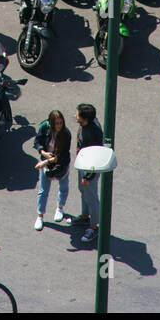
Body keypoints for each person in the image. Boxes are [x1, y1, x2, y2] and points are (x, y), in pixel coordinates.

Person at [33, 109, 72, 230]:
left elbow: (61, 155)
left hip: (60, 163)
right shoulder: (45, 128)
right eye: (56, 123)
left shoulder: (66, 134)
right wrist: (43, 152)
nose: (59, 126)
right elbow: (37, 141)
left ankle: (60, 208)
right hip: (47, 161)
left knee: (63, 187)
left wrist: (45, 161)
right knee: (43, 190)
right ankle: (40, 216)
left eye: (61, 123)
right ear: (51, 123)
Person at [74, 103, 104, 242]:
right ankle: (85, 216)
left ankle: (94, 227)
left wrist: (89, 176)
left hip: (89, 168)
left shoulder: (92, 133)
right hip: (83, 163)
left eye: (78, 114)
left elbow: (95, 156)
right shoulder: (88, 125)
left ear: (84, 118)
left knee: (91, 196)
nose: (76, 115)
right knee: (83, 190)